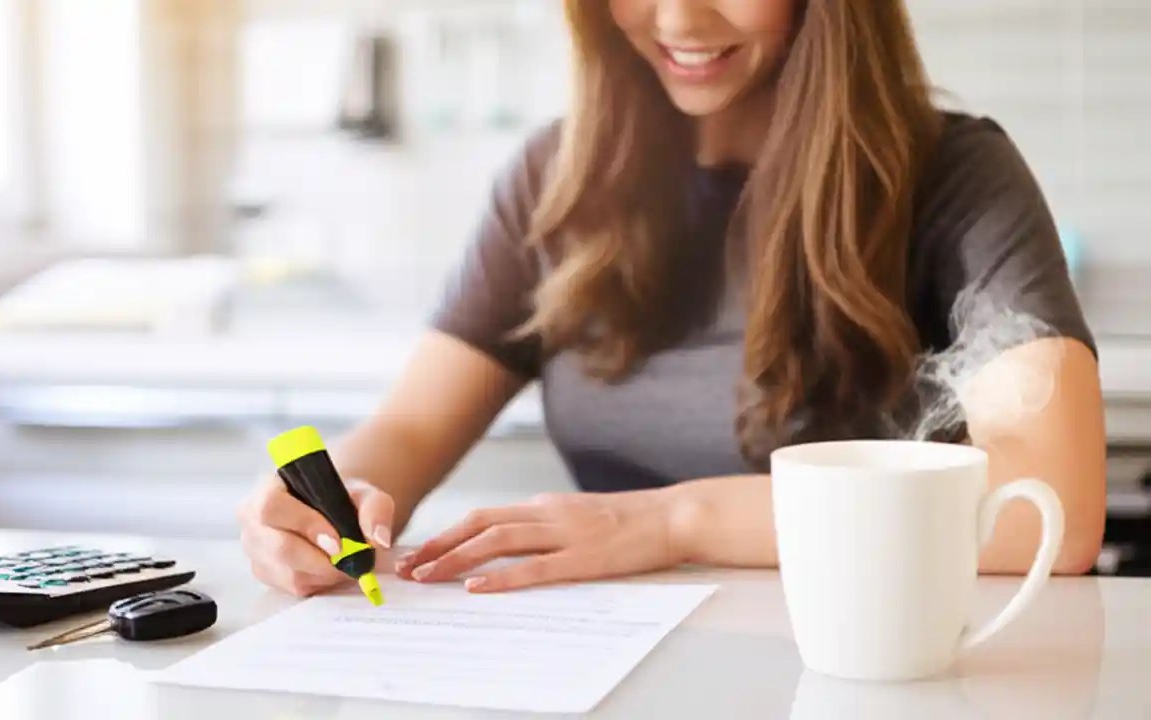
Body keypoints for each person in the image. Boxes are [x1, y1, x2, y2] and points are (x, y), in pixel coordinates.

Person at [237, 0, 1106, 597]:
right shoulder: (557, 176)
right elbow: (413, 430)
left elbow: (1052, 513)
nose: (680, 18)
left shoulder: (956, 175)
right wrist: (330, 497)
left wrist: (671, 521)